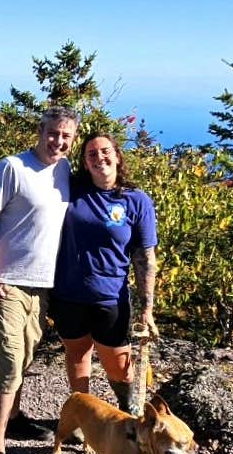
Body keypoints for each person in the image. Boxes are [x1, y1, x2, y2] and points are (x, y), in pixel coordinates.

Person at [0, 106, 79, 454]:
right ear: (41, 131)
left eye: (66, 137)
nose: (58, 141)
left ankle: (15, 417)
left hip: (44, 285)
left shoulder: (66, 172)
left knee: (25, 359)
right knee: (8, 361)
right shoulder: (12, 167)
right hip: (8, 282)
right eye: (53, 133)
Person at [51, 132, 158, 417]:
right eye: (91, 154)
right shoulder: (72, 190)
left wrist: (147, 309)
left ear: (118, 155)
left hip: (109, 297)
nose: (100, 157)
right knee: (76, 356)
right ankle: (81, 417)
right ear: (85, 163)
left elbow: (145, 258)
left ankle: (130, 415)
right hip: (67, 294)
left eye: (105, 151)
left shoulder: (136, 201)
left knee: (118, 364)